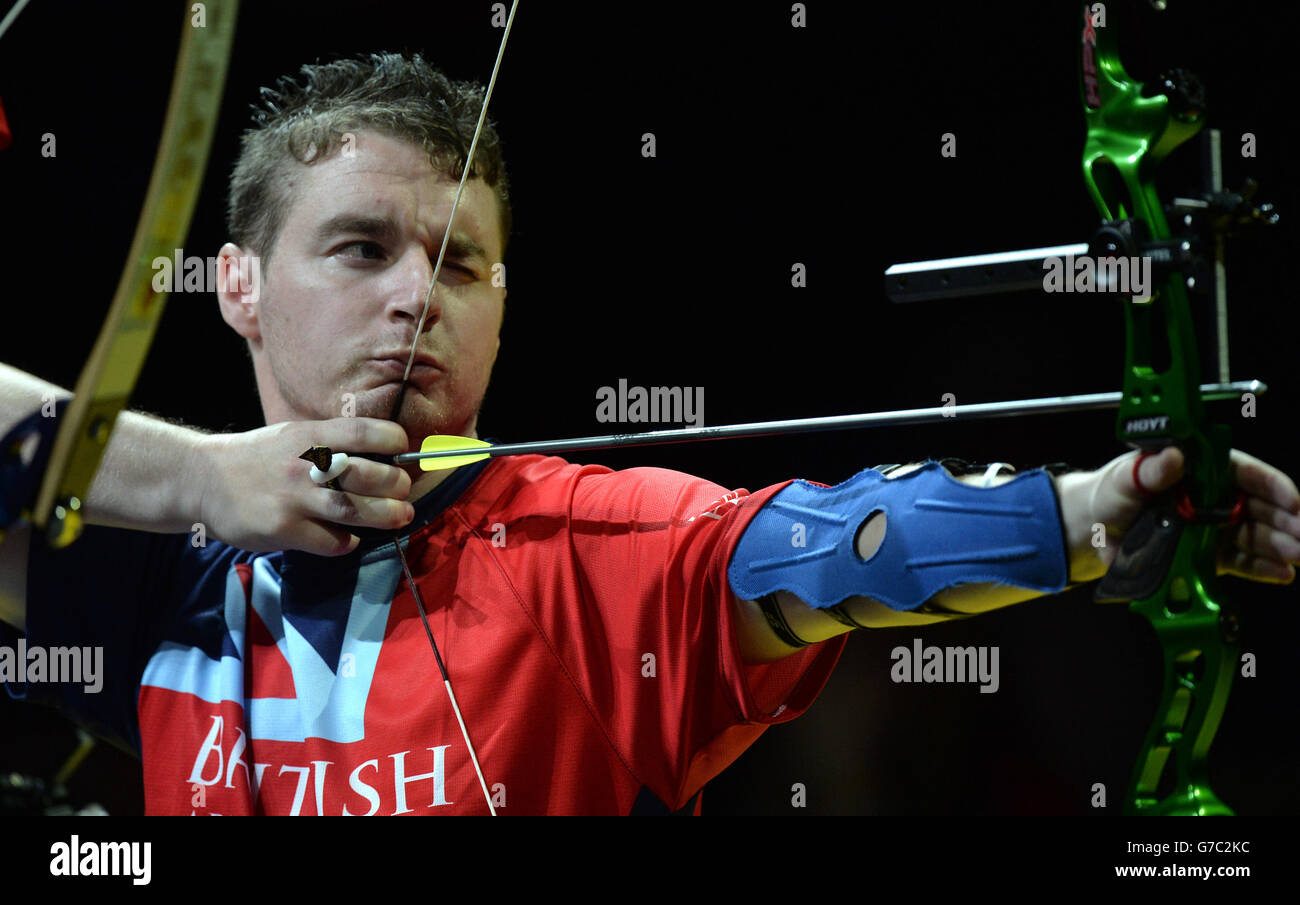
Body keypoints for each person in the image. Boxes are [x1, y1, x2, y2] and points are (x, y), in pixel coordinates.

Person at [1, 53, 1297, 815]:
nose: (413, 296)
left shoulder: (576, 553)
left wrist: (1078, 519)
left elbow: (813, 547)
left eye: (460, 269)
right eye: (360, 247)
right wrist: (210, 481)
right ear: (237, 284)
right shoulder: (159, 573)